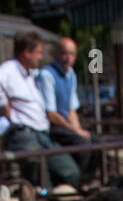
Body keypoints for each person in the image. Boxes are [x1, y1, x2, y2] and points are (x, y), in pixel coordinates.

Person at [0, 33, 80, 190]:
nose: (40, 57)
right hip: (24, 134)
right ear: (26, 52)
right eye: (38, 52)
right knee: (39, 173)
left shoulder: (30, 74)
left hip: (40, 134)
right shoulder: (9, 69)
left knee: (70, 172)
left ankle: (56, 196)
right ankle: (44, 199)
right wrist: (4, 106)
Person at [36, 36, 95, 184]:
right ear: (56, 54)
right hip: (52, 127)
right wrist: (76, 132)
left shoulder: (71, 74)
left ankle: (86, 182)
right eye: (64, 53)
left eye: (72, 54)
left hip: (66, 126)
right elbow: (51, 114)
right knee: (83, 145)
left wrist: (78, 129)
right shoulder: (47, 75)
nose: (68, 58)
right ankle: (75, 183)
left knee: (97, 142)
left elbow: (71, 110)